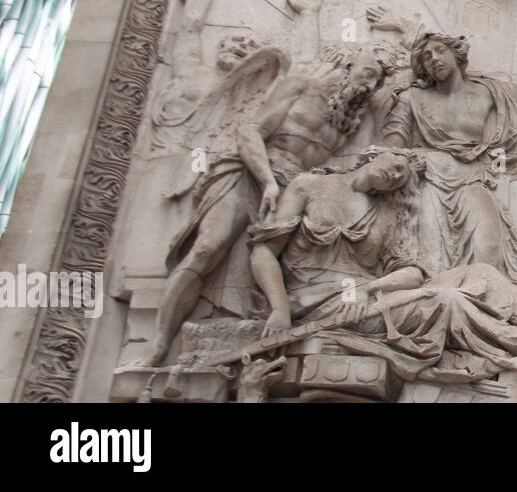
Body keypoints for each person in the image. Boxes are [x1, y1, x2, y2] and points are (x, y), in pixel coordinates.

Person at [137, 48, 386, 366]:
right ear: (348, 66)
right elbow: (251, 131)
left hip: (290, 190)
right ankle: (159, 346)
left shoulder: (348, 121)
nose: (369, 84)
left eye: (376, 80)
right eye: (367, 73)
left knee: (273, 272)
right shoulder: (300, 86)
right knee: (207, 249)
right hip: (251, 174)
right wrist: (267, 180)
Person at [249, 148, 517, 383]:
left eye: (402, 178)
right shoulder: (309, 186)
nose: (397, 175)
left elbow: (413, 272)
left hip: (365, 298)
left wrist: (371, 289)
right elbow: (264, 251)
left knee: (482, 274)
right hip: (317, 300)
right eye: (397, 164)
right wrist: (279, 309)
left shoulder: (388, 217)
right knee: (448, 301)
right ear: (371, 154)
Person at [382, 27, 517, 286]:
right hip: (431, 182)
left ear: (456, 53)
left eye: (440, 50)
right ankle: (439, 309)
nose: (434, 58)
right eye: (426, 56)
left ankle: (482, 308)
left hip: (471, 179)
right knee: (431, 264)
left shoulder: (488, 90)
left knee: (489, 254)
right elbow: (391, 149)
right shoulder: (411, 97)